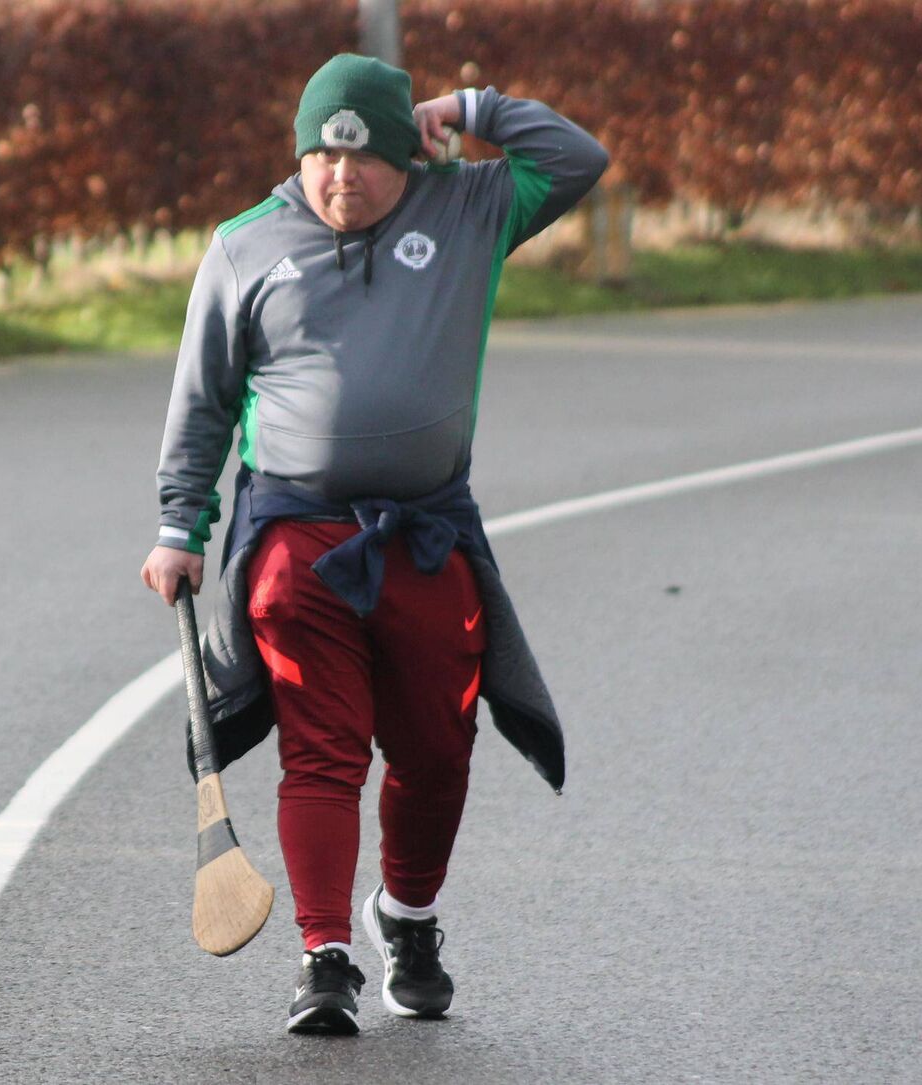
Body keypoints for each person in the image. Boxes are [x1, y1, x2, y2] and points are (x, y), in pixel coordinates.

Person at [142, 53, 608, 1035]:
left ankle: (408, 915)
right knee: (323, 750)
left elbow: (577, 159)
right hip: (294, 537)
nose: (340, 178)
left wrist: (473, 107)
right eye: (321, 157)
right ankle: (324, 955)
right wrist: (181, 525)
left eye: (362, 161)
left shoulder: (471, 210)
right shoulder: (244, 246)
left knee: (438, 749)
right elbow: (203, 401)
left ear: (408, 156)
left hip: (428, 534)